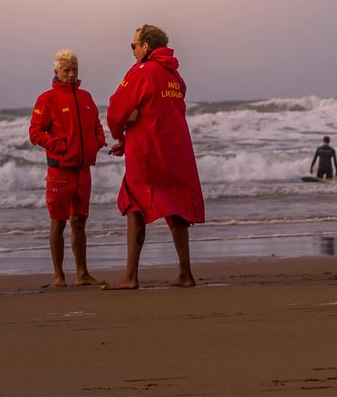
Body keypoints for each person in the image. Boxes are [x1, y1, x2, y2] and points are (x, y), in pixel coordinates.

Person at [105, 24, 205, 289]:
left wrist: (119, 134)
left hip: (148, 151)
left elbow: (117, 109)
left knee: (134, 202)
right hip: (177, 150)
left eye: (134, 46)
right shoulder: (175, 76)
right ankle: (186, 273)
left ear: (146, 46)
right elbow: (160, 112)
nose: (133, 52)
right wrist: (127, 139)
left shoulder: (141, 72)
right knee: (177, 206)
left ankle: (130, 276)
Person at [28, 49, 106, 287]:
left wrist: (98, 141)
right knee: (58, 222)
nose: (71, 75)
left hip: (83, 170)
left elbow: (97, 125)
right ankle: (58, 274)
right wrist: (58, 145)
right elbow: (35, 133)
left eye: (75, 70)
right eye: (67, 71)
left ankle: (82, 273)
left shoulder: (86, 97)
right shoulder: (47, 99)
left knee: (79, 221)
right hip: (60, 170)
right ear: (56, 72)